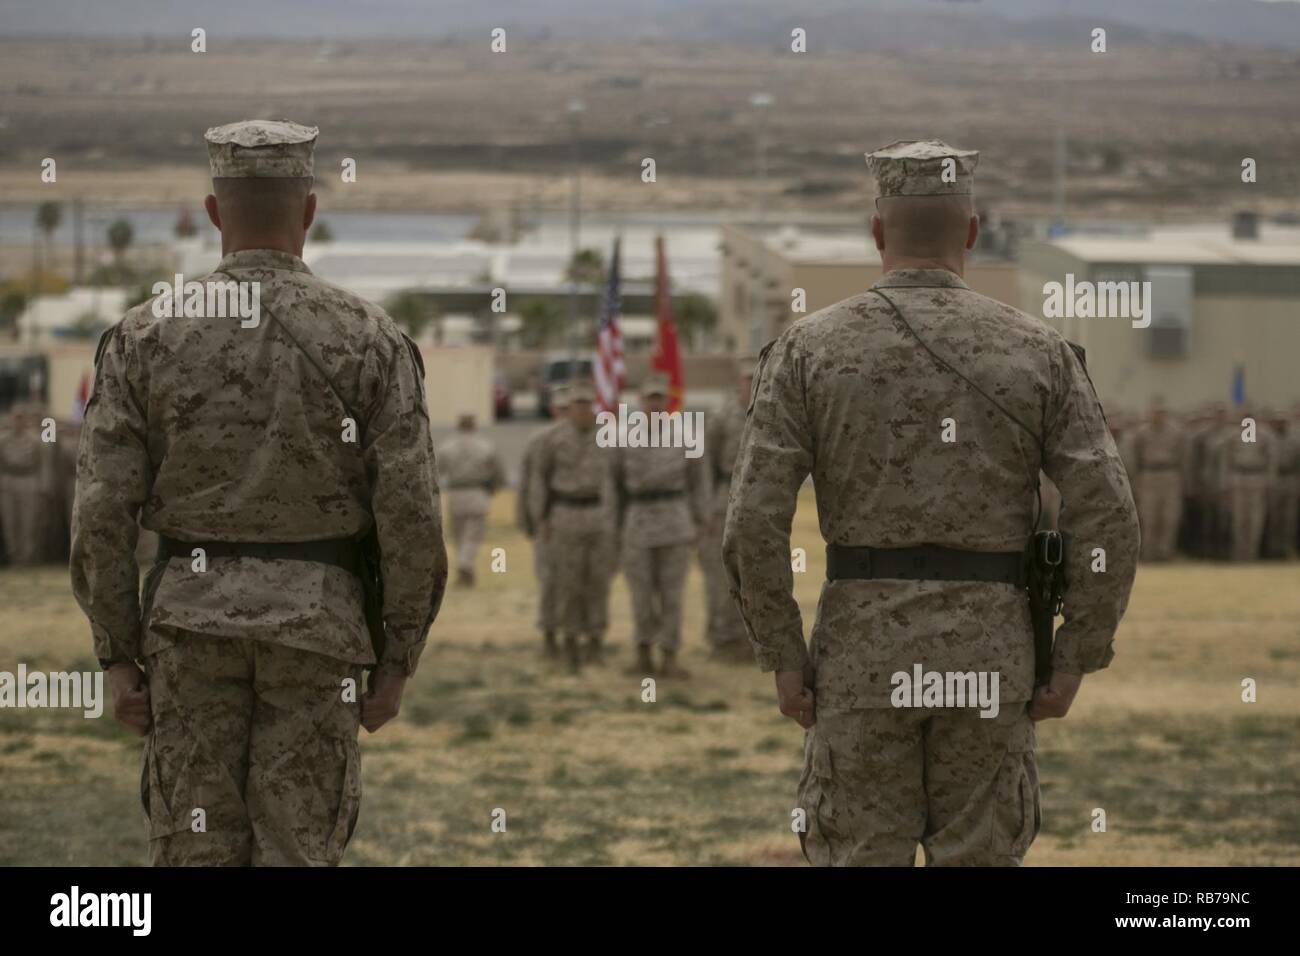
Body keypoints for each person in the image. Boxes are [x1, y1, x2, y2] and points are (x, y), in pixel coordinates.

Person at [723, 139, 1140, 866]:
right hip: (992, 656)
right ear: (972, 231)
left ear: (877, 232)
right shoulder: (1038, 351)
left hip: (860, 658)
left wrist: (782, 653)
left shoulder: (806, 351)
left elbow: (753, 521)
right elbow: (1108, 513)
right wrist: (1076, 652)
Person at [70, 119, 447, 866]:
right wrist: (398, 659)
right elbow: (409, 513)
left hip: (188, 628)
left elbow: (100, 513)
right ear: (309, 211)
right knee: (298, 847)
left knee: (194, 847)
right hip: (319, 627)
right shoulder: (371, 340)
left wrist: (116, 657)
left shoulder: (145, 337)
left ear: (215, 212)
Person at [608, 373, 709, 677]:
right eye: (649, 398)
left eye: (659, 398)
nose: (654, 404)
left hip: (674, 523)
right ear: (639, 402)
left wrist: (701, 519)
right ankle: (643, 653)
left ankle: (669, 655)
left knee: (672, 595)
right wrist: (613, 525)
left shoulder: (685, 437)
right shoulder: (622, 438)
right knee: (640, 596)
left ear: (667, 402)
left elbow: (698, 483)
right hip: (637, 524)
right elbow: (612, 486)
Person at [526, 379, 615, 671]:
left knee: (597, 583)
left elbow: (617, 481)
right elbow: (539, 479)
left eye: (587, 403)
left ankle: (595, 642)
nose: (582, 409)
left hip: (598, 516)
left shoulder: (608, 437)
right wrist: (540, 518)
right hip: (564, 515)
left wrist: (616, 519)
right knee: (567, 583)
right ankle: (568, 643)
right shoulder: (552, 439)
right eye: (577, 403)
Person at [698, 358, 755, 662]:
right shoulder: (721, 418)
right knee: (720, 575)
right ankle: (721, 638)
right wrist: (705, 510)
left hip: (757, 504)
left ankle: (749, 639)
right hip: (723, 500)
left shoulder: (769, 414)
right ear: (738, 382)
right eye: (747, 378)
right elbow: (703, 464)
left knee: (754, 574)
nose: (752, 382)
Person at [518, 384, 570, 656]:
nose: (564, 414)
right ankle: (550, 635)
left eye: (568, 409)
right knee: (549, 581)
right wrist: (530, 523)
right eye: (560, 408)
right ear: (552, 409)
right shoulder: (539, 440)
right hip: (548, 523)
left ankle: (577, 637)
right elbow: (527, 484)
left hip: (575, 522)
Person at [437, 412, 504, 587]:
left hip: (456, 493)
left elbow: (437, 471)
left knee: (458, 535)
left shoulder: (447, 447)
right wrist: (495, 487)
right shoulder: (486, 446)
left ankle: (464, 569)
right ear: (474, 425)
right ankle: (465, 565)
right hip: (477, 492)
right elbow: (498, 471)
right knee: (473, 535)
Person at [1131, 397, 1186, 561]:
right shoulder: (1141, 433)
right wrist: (1137, 479)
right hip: (1149, 475)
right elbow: (1135, 457)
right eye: (1155, 413)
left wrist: (1181, 479)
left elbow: (1183, 457)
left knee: (1169, 516)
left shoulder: (1176, 433)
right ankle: (1149, 553)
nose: (1158, 416)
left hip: (1170, 474)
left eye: (1161, 413)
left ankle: (1165, 552)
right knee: (1148, 516)